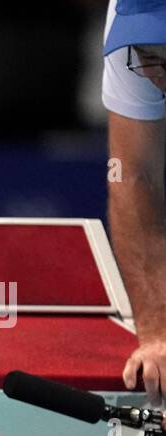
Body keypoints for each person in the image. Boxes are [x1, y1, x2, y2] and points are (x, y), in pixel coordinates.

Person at [104, 0, 166, 405]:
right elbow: (131, 177)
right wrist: (158, 336)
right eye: (148, 56)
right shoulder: (125, 34)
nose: (156, 76)